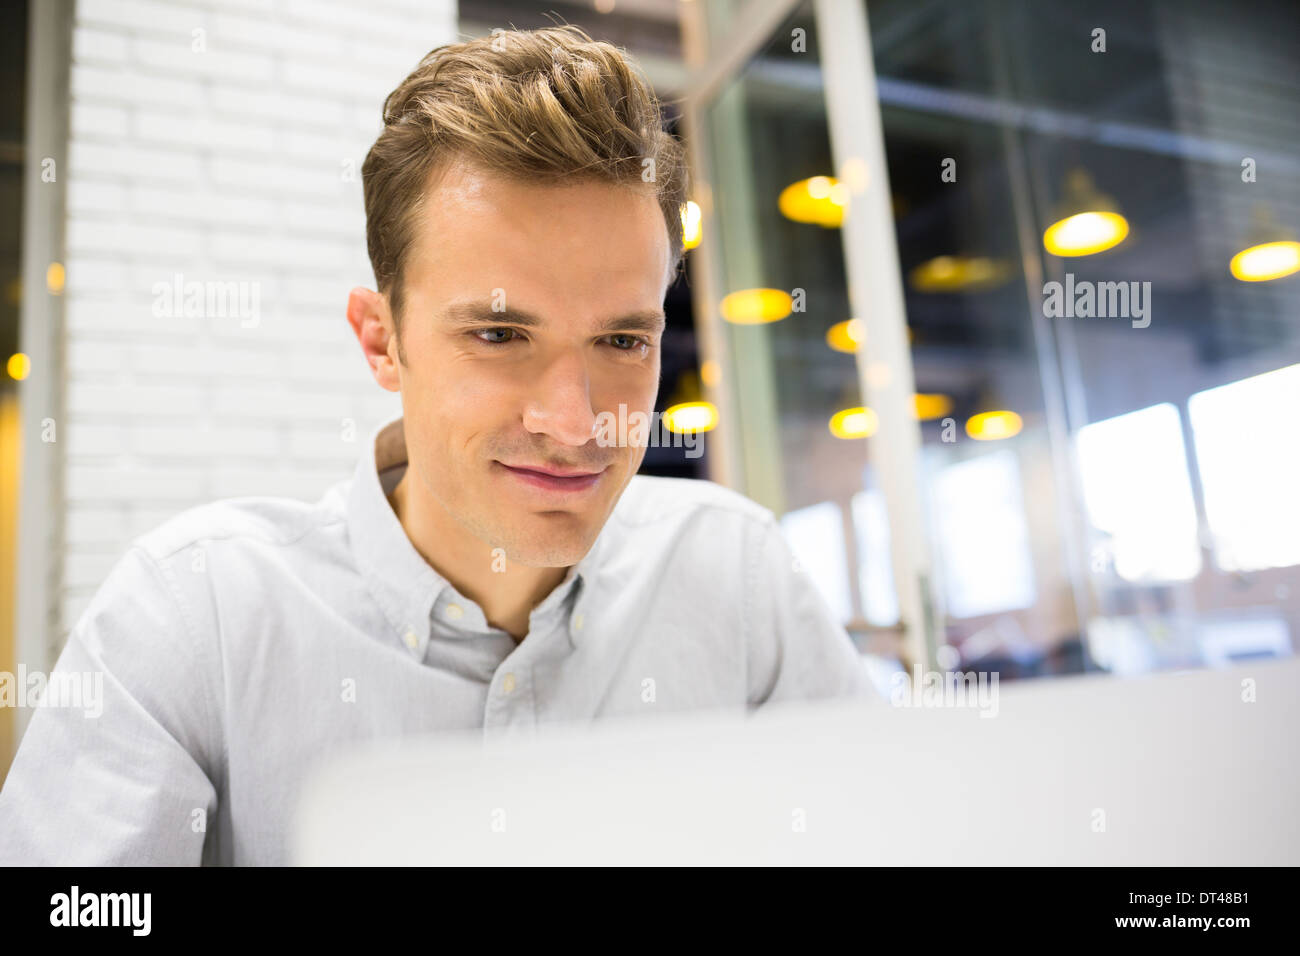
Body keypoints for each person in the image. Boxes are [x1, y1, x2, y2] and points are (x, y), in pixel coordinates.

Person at [0, 24, 874, 866]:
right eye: (499, 335)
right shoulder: (194, 617)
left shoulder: (738, 576)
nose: (575, 424)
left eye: (622, 341)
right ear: (382, 340)